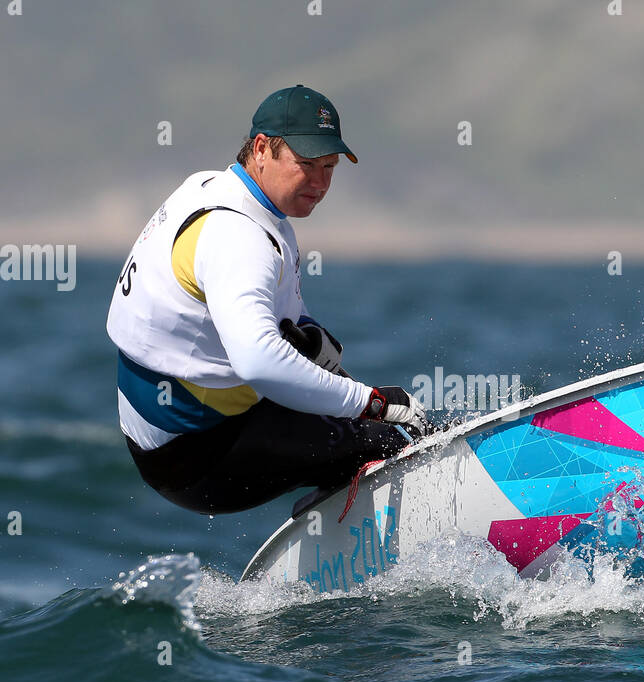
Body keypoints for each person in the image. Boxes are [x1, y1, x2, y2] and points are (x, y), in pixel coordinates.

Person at [106, 84, 427, 515]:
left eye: (329, 167)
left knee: (358, 421)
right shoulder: (237, 236)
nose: (320, 183)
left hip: (171, 431)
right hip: (193, 457)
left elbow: (254, 321)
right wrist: (371, 402)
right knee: (389, 439)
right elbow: (259, 360)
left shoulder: (211, 188)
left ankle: (333, 498)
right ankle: (344, 509)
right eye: (307, 165)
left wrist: (307, 335)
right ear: (261, 149)